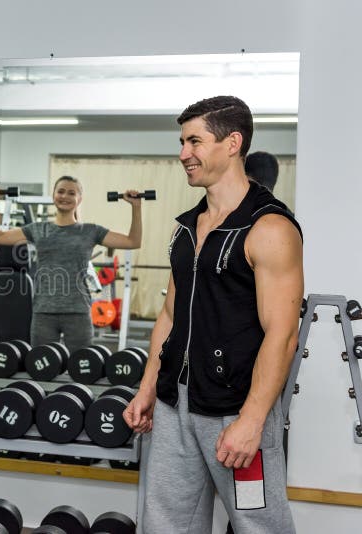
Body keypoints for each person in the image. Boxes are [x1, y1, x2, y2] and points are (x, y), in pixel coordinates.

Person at [123, 96, 302, 533]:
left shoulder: (270, 228)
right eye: (182, 142)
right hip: (173, 403)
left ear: (232, 143)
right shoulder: (187, 226)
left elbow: (282, 334)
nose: (184, 153)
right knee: (165, 523)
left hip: (235, 408)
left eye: (195, 141)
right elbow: (169, 314)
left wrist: (253, 421)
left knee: (259, 524)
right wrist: (148, 386)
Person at [0, 176, 142, 352]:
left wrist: (136, 207)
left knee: (81, 368)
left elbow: (132, 241)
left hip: (78, 312)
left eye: (71, 193)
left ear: (79, 199)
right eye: (60, 191)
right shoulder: (38, 229)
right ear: (53, 195)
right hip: (43, 312)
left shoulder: (90, 231)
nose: (65, 196)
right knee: (42, 367)